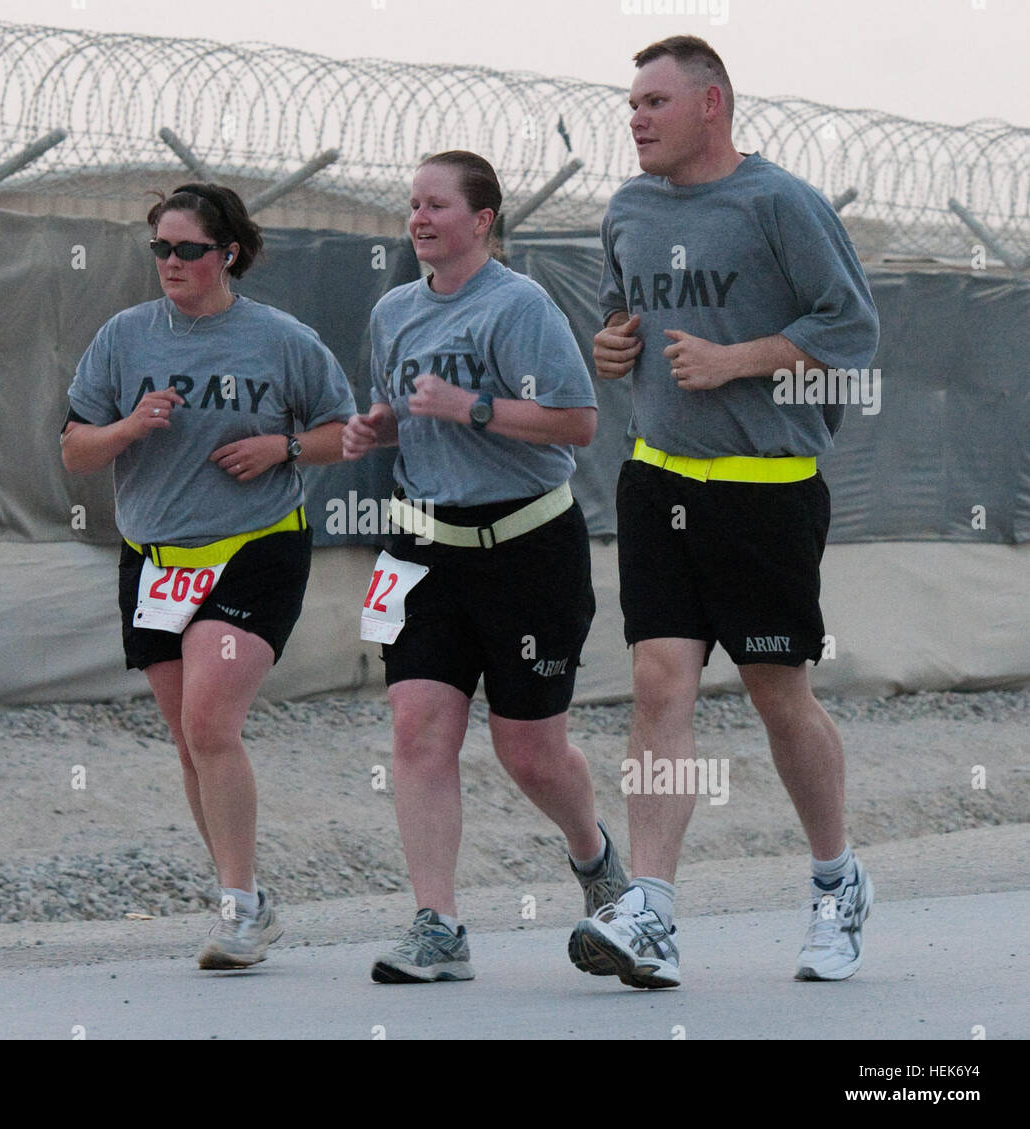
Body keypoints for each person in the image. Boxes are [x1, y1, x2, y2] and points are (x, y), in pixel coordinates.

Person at [568, 36, 880, 989]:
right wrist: (614, 345)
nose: (636, 118)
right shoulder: (627, 207)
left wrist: (739, 359)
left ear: (712, 105)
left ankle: (837, 881)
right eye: (631, 104)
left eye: (655, 102)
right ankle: (652, 907)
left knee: (776, 689)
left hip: (768, 487)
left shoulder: (778, 202)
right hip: (657, 478)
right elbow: (628, 312)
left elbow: (855, 332)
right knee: (661, 682)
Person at [342, 150, 626, 984]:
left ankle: (596, 859)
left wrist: (472, 406)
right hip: (424, 548)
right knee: (418, 729)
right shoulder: (394, 310)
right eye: (412, 206)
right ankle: (439, 925)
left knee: (529, 750)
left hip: (525, 548)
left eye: (437, 204)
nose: (420, 218)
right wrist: (377, 428)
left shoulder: (520, 305)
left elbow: (576, 421)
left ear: (482, 221)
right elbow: (408, 414)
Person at [61, 183, 356, 970]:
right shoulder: (124, 338)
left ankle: (236, 912)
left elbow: (342, 432)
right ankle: (246, 896)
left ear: (228, 253)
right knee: (192, 742)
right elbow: (76, 448)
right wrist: (129, 426)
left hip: (255, 545)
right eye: (159, 248)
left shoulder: (280, 339)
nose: (171, 263)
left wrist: (281, 449)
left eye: (188, 249)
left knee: (210, 724)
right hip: (156, 556)